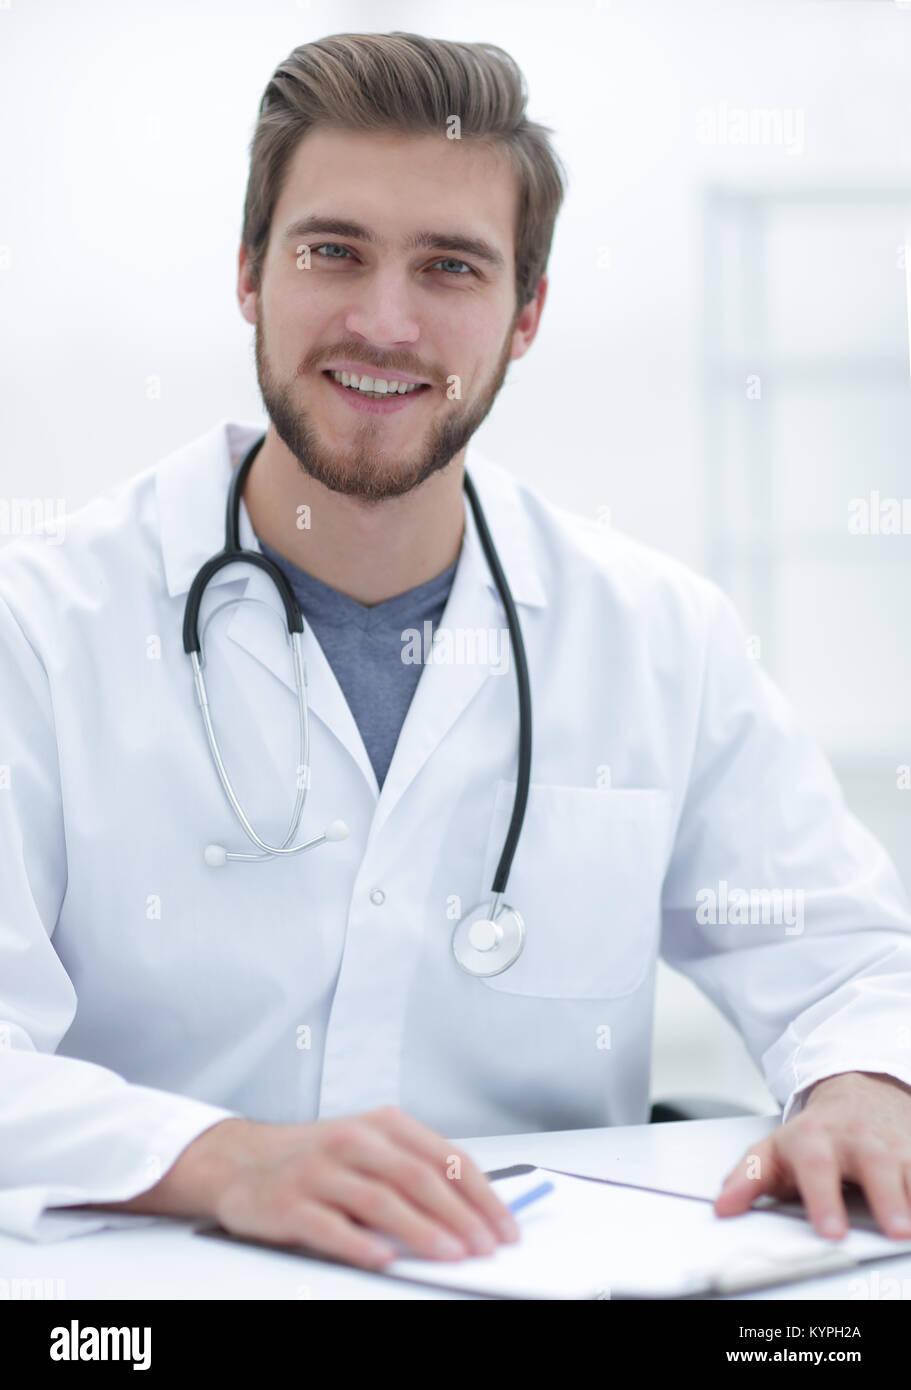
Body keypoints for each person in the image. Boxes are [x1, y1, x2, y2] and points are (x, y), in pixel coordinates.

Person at [2, 31, 911, 1274]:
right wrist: (223, 1156)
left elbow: (841, 952)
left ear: (524, 313)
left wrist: (864, 1082)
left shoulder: (656, 639)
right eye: (333, 252)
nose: (385, 322)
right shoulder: (41, 630)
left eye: (449, 267)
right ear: (248, 276)